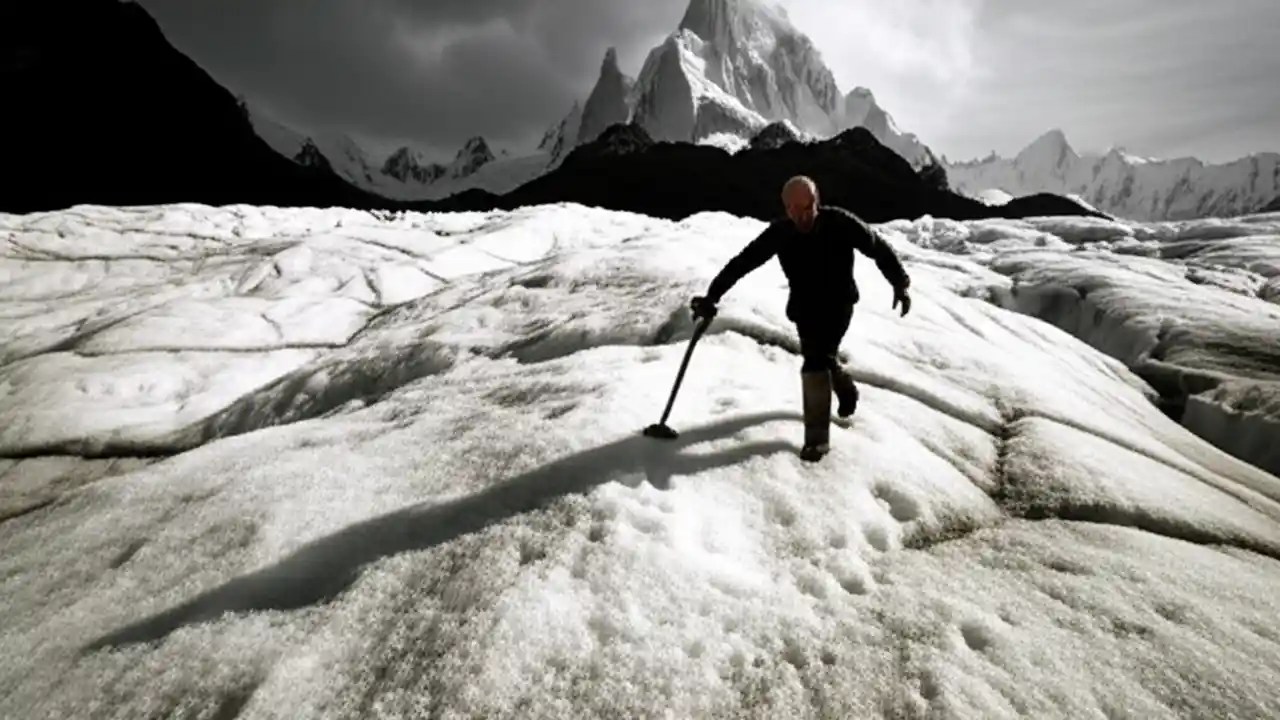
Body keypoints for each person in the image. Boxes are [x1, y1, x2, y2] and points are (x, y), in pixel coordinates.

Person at [690, 176, 912, 462]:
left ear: (816, 201)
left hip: (839, 304)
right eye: (794, 210)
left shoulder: (840, 222)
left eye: (807, 207)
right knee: (821, 359)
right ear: (786, 209)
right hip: (804, 310)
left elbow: (876, 246)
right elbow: (744, 262)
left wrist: (900, 283)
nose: (802, 215)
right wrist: (712, 296)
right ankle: (843, 383)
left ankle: (817, 442)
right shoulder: (780, 232)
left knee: (816, 362)